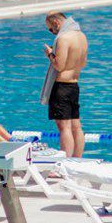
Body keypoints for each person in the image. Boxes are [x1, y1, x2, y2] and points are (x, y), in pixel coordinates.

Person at [42, 12, 87, 158]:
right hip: (74, 85)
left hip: (61, 87)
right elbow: (83, 63)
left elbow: (59, 66)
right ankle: (77, 161)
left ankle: (64, 164)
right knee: (76, 127)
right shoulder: (81, 36)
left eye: (50, 29)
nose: (52, 32)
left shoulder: (63, 38)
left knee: (64, 128)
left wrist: (50, 53)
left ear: (56, 22)